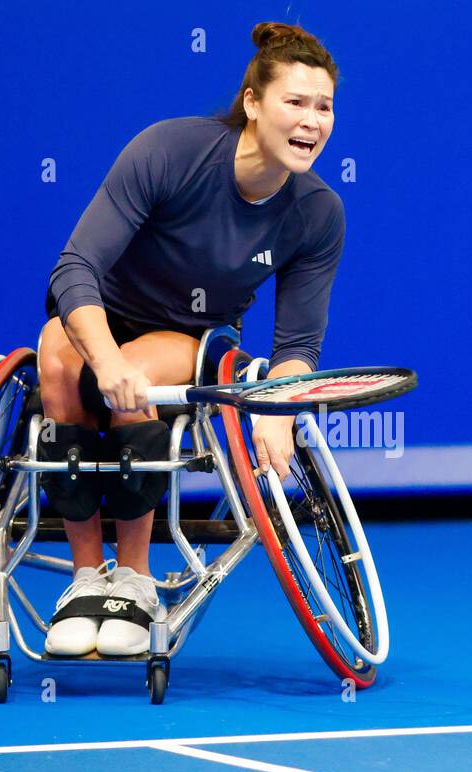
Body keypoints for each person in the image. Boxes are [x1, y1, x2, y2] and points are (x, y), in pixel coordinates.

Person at [38, 21, 345, 657]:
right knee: (59, 360)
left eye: (324, 107)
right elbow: (75, 269)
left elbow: (298, 345)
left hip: (190, 336)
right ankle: (84, 578)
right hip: (102, 314)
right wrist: (102, 355)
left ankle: (134, 579)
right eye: (295, 102)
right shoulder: (170, 150)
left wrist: (279, 412)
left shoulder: (317, 214)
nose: (312, 121)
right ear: (253, 102)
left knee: (132, 382)